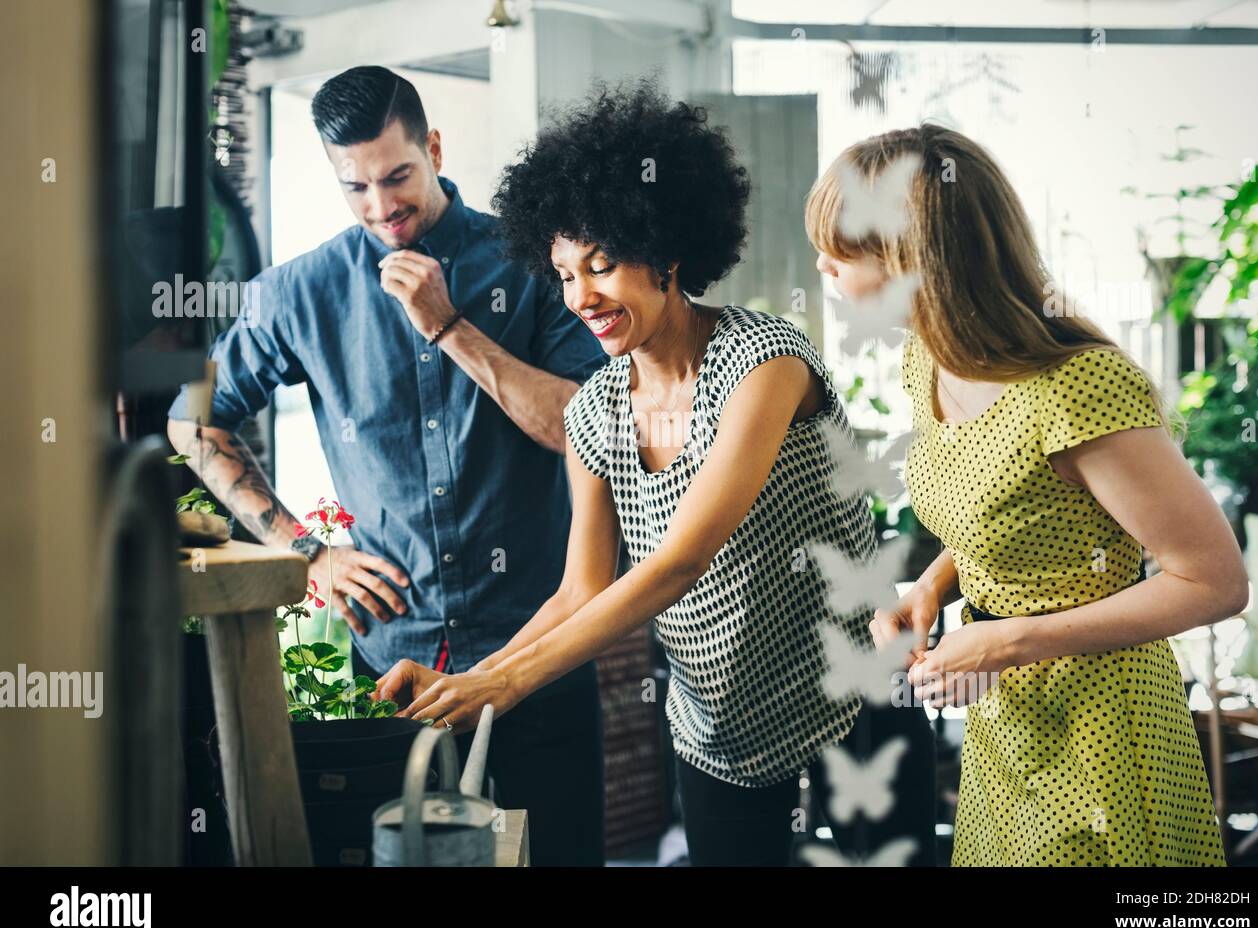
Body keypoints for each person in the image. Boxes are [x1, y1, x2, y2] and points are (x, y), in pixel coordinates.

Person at [374, 80, 937, 867]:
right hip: (720, 732)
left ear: (667, 252)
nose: (580, 296)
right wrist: (469, 682)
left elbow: (680, 560)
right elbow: (581, 590)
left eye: (600, 265)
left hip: (853, 705)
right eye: (564, 273)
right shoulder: (597, 410)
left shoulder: (763, 361)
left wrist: (505, 687)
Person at [166, 66, 608, 866]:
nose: (381, 206)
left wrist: (447, 326)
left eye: (398, 175)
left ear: (433, 148)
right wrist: (305, 552)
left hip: (542, 653)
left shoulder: (535, 265)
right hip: (393, 678)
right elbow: (192, 422)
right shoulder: (298, 294)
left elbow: (590, 428)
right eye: (356, 187)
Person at [808, 123, 1240, 865]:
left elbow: (1215, 581)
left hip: (1104, 723)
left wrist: (1005, 639)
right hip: (1004, 715)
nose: (822, 267)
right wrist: (936, 588)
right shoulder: (928, 362)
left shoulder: (1078, 388)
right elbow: (1009, 506)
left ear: (912, 257)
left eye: (841, 248)